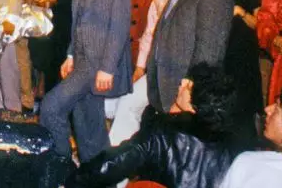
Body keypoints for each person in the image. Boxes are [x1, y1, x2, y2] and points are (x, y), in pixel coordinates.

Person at [40, 0, 132, 166]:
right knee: (88, 129)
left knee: (50, 108)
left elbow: (120, 20)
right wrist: (70, 54)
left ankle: (62, 165)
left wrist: (107, 67)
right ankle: (100, 179)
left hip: (97, 62)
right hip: (81, 58)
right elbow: (80, 16)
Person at [70, 64, 250, 188]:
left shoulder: (165, 130)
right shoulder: (239, 148)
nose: (182, 83)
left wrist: (73, 180)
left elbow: (113, 163)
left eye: (189, 84)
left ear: (198, 100)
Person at [105, 0, 155, 147]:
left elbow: (148, 30)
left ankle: (118, 152)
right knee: (109, 106)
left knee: (126, 108)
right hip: (117, 56)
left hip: (137, 59)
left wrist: (140, 66)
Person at [216, 0, 264, 124]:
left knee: (242, 104)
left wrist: (241, 12)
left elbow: (260, 24)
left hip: (242, 48)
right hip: (218, 47)